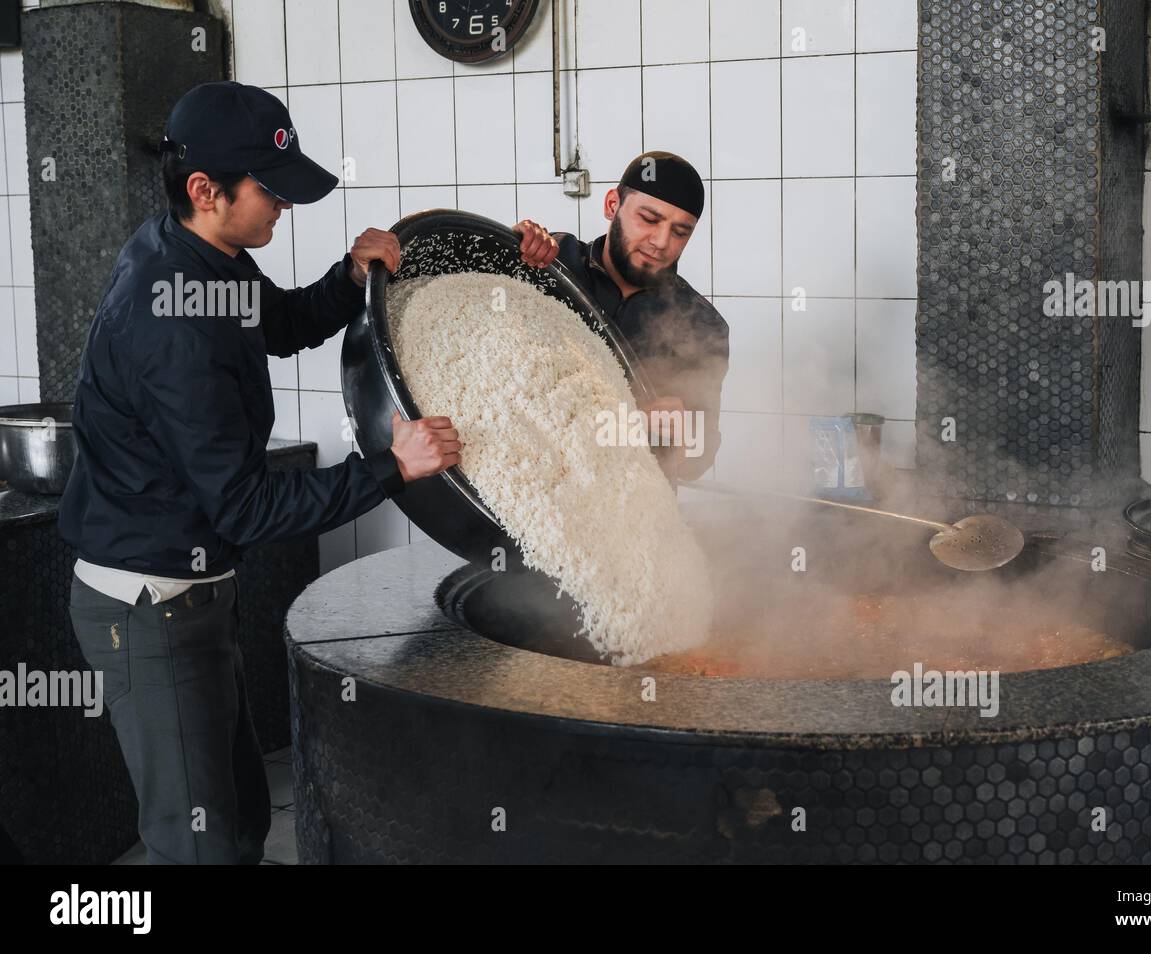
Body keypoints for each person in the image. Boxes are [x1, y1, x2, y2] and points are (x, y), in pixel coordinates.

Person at [57, 81, 461, 864]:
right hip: (147, 604)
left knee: (239, 815)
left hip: (192, 588)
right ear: (206, 191)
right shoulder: (168, 322)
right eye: (269, 192)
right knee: (195, 839)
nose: (284, 207)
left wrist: (350, 279)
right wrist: (391, 466)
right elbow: (245, 507)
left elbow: (276, 326)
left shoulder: (210, 256)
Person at [513, 151, 729, 480]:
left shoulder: (700, 325)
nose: (661, 242)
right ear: (612, 205)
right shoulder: (555, 264)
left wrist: (687, 436)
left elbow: (702, 453)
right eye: (650, 219)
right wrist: (512, 248)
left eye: (680, 232)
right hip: (525, 478)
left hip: (622, 502)